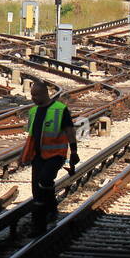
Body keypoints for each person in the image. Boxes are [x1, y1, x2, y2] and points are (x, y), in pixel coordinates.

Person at [19, 79, 79, 236]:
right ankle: (41, 223)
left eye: (36, 95)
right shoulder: (33, 111)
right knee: (36, 191)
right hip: (38, 156)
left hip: (56, 155)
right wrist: (23, 155)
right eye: (32, 95)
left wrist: (73, 152)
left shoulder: (60, 109)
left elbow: (70, 131)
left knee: (45, 181)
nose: (33, 98)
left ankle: (49, 212)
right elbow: (31, 137)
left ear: (45, 94)